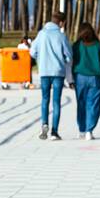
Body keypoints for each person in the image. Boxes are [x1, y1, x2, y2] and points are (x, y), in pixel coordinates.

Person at [30, 10, 73, 141]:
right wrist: (63, 61)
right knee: (56, 102)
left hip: (44, 72)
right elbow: (69, 56)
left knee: (45, 100)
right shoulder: (61, 36)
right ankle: (54, 132)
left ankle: (44, 124)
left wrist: (40, 60)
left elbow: (32, 52)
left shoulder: (41, 34)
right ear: (61, 22)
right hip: (58, 73)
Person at [71, 22, 100, 140]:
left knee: (81, 104)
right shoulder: (98, 46)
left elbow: (70, 63)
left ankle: (82, 129)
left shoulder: (76, 45)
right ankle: (89, 130)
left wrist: (70, 79)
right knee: (93, 105)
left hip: (79, 78)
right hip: (95, 79)